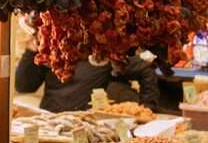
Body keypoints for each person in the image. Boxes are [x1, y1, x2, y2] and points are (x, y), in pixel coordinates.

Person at [15, 40, 160, 113]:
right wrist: (30, 51)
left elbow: (146, 70)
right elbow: (24, 86)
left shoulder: (102, 53)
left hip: (85, 126)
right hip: (49, 122)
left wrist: (147, 108)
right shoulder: (53, 48)